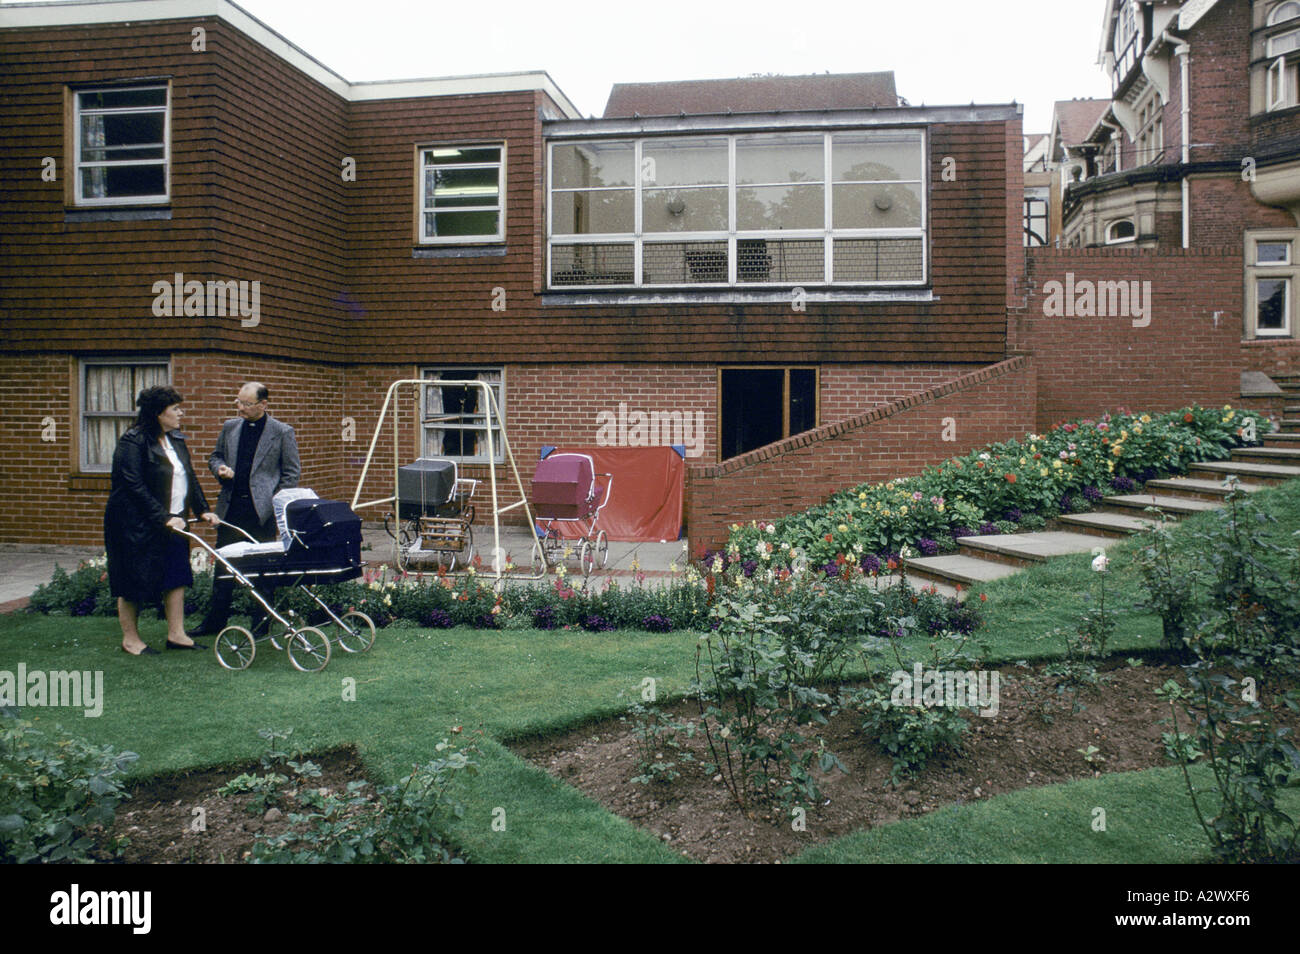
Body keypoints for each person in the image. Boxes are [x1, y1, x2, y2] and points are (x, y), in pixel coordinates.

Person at [104, 386, 219, 656]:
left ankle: (177, 635)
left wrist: (202, 509)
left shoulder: (176, 439)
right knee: (132, 579)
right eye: (175, 409)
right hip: (135, 524)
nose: (181, 413)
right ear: (158, 413)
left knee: (176, 575)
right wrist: (164, 517)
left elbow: (188, 476)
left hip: (174, 521)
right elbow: (133, 485)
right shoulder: (132, 441)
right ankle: (131, 640)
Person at [187, 381, 301, 637]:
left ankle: (261, 626)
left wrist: (273, 502)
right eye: (238, 402)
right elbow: (215, 456)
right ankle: (214, 623)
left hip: (262, 515)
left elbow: (291, 473)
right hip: (230, 510)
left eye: (246, 404)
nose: (240, 408)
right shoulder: (230, 427)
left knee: (263, 573)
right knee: (223, 569)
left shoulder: (281, 432)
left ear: (263, 404)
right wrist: (220, 469)